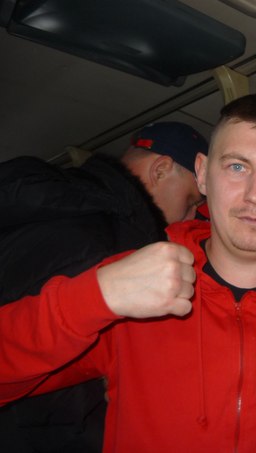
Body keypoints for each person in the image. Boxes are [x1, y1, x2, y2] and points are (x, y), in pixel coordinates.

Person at [0, 94, 256, 452]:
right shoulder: (133, 288)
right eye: (237, 167)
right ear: (202, 174)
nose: (255, 195)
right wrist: (96, 296)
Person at [0, 121, 207, 452]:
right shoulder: (110, 248)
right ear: (160, 170)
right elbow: (61, 400)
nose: (191, 217)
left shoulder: (45, 196)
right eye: (191, 200)